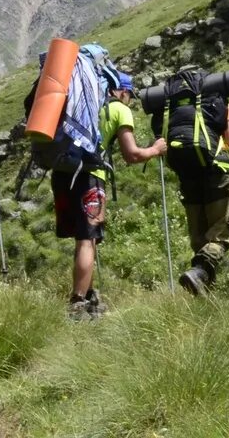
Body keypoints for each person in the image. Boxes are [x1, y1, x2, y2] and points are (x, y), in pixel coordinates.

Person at [56, 72, 167, 319]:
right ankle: (77, 304)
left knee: (83, 239)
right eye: (128, 95)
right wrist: (156, 149)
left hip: (62, 174)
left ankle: (86, 294)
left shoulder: (79, 102)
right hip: (90, 177)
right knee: (87, 239)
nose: (128, 100)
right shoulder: (118, 109)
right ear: (121, 91)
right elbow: (132, 155)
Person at [177, 102, 229, 294]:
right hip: (216, 178)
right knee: (220, 237)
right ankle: (198, 271)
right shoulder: (223, 104)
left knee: (200, 242)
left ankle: (204, 296)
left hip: (188, 179)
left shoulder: (178, 108)